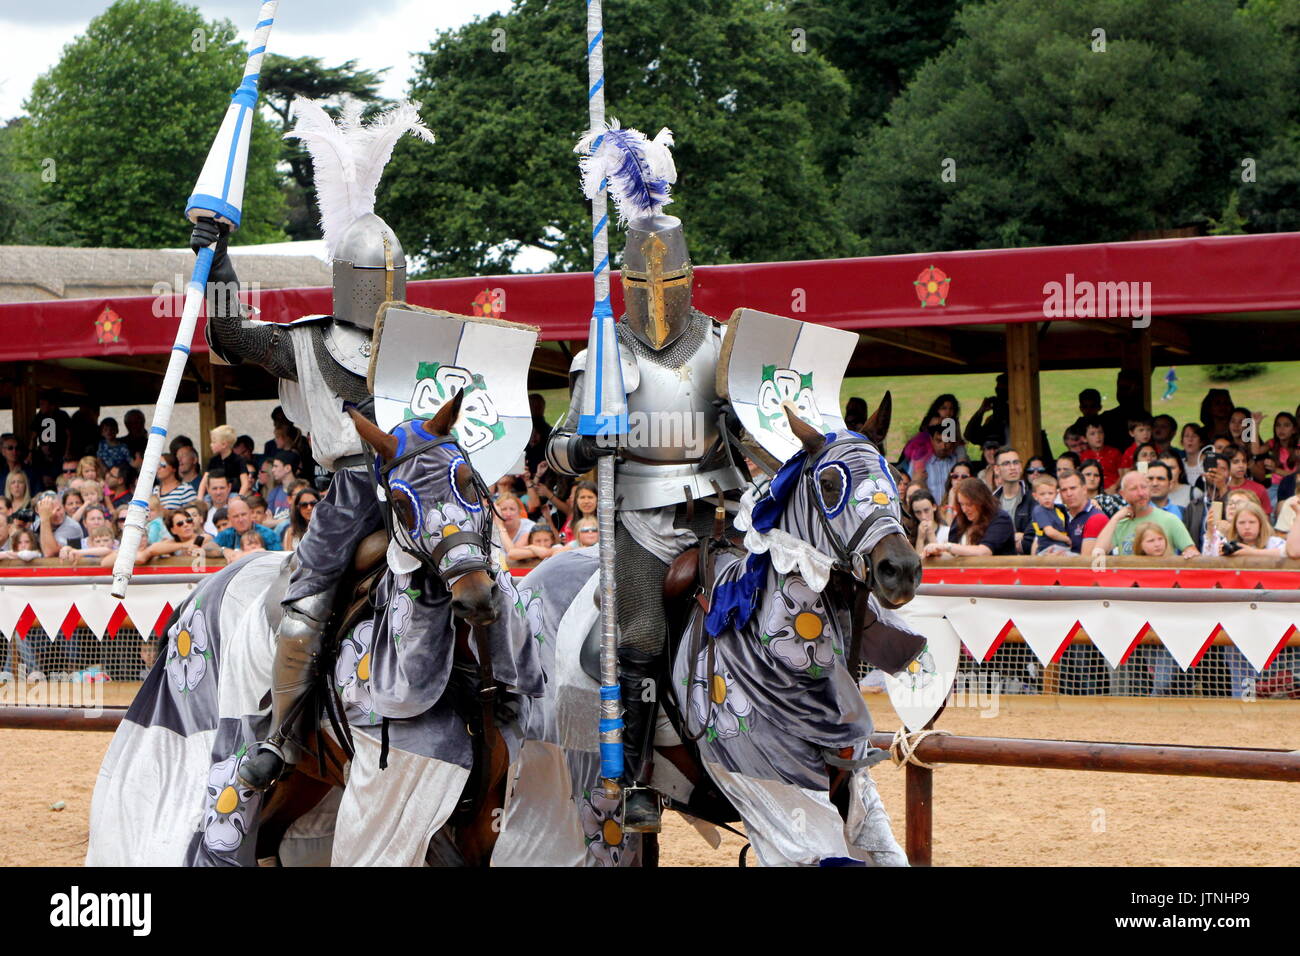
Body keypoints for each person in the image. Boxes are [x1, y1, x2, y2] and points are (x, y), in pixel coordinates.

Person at [190, 97, 435, 792]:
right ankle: (284, 730)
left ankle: (508, 697)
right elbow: (233, 338)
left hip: (425, 481)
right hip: (353, 492)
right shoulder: (307, 341)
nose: (382, 290)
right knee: (306, 602)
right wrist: (218, 257)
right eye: (372, 279)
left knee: (485, 576)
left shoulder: (427, 340)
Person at [545, 132, 750, 832]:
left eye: (669, 282)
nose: (658, 296)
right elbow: (558, 451)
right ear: (627, 284)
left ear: (691, 278)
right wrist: (589, 440)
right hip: (638, 517)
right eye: (645, 284)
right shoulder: (602, 352)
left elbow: (750, 431)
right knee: (635, 635)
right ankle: (631, 780)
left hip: (721, 510)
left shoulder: (723, 344)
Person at [1092, 471, 1198, 557]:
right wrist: (1115, 518)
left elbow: (1192, 552)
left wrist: (1189, 554)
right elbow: (1098, 553)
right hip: (1129, 582)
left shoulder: (1170, 519)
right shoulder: (1121, 523)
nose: (1141, 493)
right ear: (1123, 494)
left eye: (1144, 487)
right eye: (1134, 489)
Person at [923, 477, 1016, 557]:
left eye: (969, 504)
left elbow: (984, 552)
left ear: (982, 501)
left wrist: (947, 546)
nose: (964, 509)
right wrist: (937, 552)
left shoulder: (1001, 519)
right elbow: (953, 556)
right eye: (961, 504)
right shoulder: (960, 519)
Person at [910, 421, 964, 503]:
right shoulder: (920, 463)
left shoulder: (957, 462)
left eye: (947, 441)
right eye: (939, 441)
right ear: (931, 440)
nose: (943, 446)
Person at [214, 497, 282, 562]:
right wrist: (224, 550)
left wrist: (243, 555)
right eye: (236, 516)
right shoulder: (227, 533)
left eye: (243, 514)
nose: (241, 519)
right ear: (229, 519)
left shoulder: (268, 534)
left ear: (250, 513)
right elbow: (207, 547)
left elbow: (279, 557)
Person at [990, 446, 1033, 550]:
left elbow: (1032, 539)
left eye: (1016, 462)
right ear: (996, 469)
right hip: (995, 561)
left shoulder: (1033, 499)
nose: (1012, 467)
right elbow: (987, 537)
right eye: (1006, 463)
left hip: (1026, 561)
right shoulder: (990, 502)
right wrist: (1014, 537)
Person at [1098, 369, 1149, 451]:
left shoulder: (1146, 420)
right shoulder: (1106, 418)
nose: (1122, 392)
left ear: (1138, 389)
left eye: (1126, 388)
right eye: (1120, 388)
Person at [1058, 470, 1107, 555]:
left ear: (1084, 489)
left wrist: (1055, 559)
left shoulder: (1097, 518)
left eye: (1073, 488)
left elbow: (1086, 562)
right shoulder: (1058, 514)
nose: (1069, 493)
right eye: (1064, 490)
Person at [1218, 502, 1286, 557]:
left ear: (1261, 524)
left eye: (1252, 522)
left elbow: (1287, 553)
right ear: (1235, 525)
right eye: (1241, 523)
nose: (1247, 527)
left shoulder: (1274, 542)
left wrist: (1253, 552)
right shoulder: (1228, 543)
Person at [202, 425, 251, 497]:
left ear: (224, 444)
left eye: (214, 442)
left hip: (233, 493)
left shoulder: (239, 460)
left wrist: (239, 497)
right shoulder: (213, 461)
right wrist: (199, 498)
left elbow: (245, 483)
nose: (211, 445)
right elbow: (204, 482)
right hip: (214, 494)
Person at [1223, 445, 1270, 517]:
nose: (1241, 465)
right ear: (1226, 464)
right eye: (1236, 462)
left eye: (1244, 461)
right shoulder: (1219, 489)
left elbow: (1265, 521)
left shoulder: (1259, 489)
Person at [963, 373, 1009, 447]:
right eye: (998, 389)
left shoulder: (1013, 421)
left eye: (1003, 390)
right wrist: (981, 411)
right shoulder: (993, 422)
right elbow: (970, 436)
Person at [1028, 475, 1070, 555]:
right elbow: (1050, 532)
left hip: (1060, 546)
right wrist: (1067, 539)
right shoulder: (1039, 510)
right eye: (1042, 494)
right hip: (1047, 549)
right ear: (1035, 496)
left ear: (1056, 494)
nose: (1047, 497)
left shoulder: (1059, 508)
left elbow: (1073, 507)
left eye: (1050, 493)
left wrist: (1091, 502)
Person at [34, 491, 84, 556]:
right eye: (51, 510)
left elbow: (50, 553)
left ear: (63, 507)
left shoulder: (73, 526)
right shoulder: (36, 524)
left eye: (59, 509)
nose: (57, 514)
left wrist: (45, 520)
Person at [1081, 418, 1121, 490]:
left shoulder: (1114, 452)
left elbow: (1123, 474)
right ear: (1084, 438)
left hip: (1114, 490)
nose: (1098, 436)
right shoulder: (1084, 457)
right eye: (1092, 434)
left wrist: (1114, 487)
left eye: (1100, 432)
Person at [265, 450, 300, 521]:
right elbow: (265, 521)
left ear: (287, 468)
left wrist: (274, 522)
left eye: (276, 466)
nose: (272, 470)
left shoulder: (302, 491)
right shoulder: (274, 492)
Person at [201, 470, 233, 536]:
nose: (218, 492)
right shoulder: (203, 513)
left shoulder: (237, 513)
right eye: (214, 488)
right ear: (208, 489)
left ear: (229, 487)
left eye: (222, 488)